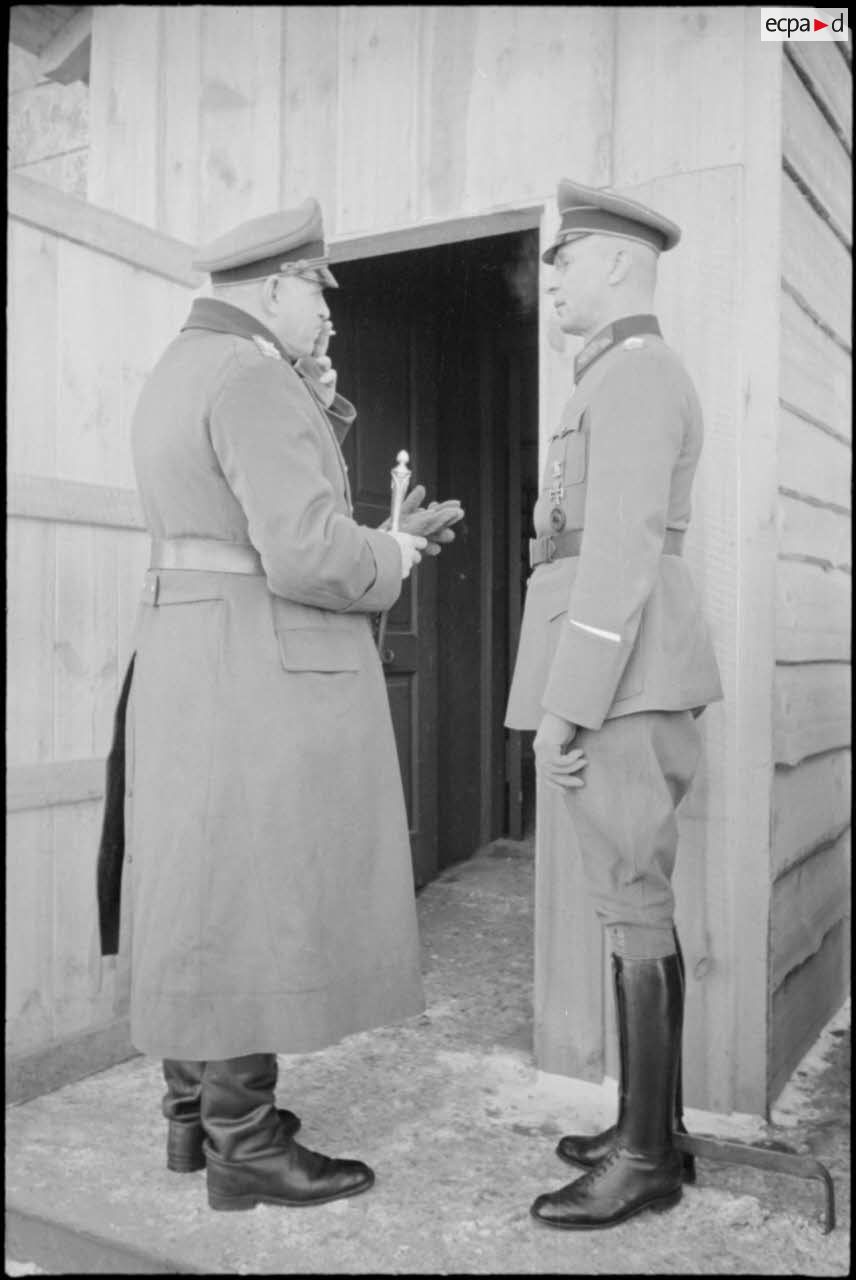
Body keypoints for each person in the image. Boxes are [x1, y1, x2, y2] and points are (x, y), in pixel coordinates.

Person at [96, 197, 463, 1212]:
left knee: (193, 885)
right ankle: (245, 1142)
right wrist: (390, 551)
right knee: (246, 894)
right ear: (272, 289)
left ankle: (194, 1117)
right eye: (317, 293)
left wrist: (318, 400)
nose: (328, 314)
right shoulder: (252, 379)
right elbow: (301, 549)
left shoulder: (187, 367)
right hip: (249, 658)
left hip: (188, 646)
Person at [505, 178, 723, 1230]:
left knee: (632, 893)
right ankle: (652, 1127)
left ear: (622, 265)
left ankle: (643, 1156)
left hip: (623, 680)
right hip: (622, 674)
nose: (551, 278)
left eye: (568, 258)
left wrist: (567, 702)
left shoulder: (635, 379)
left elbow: (620, 554)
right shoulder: (608, 377)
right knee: (623, 891)